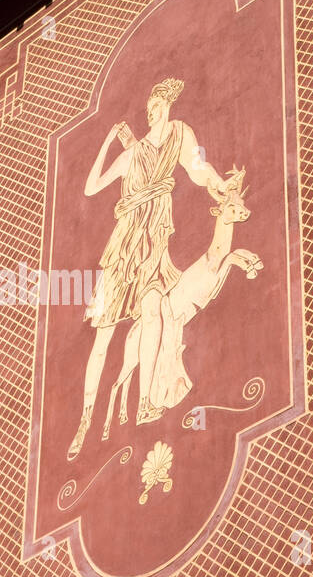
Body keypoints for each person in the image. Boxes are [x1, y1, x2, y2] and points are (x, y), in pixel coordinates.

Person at [69, 77, 231, 460]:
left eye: (156, 106)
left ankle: (145, 402)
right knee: (102, 339)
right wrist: (108, 141)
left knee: (154, 310)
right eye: (148, 108)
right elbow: (92, 188)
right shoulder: (131, 153)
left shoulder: (178, 133)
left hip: (155, 241)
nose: (150, 112)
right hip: (122, 247)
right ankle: (85, 420)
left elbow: (196, 168)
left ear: (167, 106)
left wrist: (219, 184)